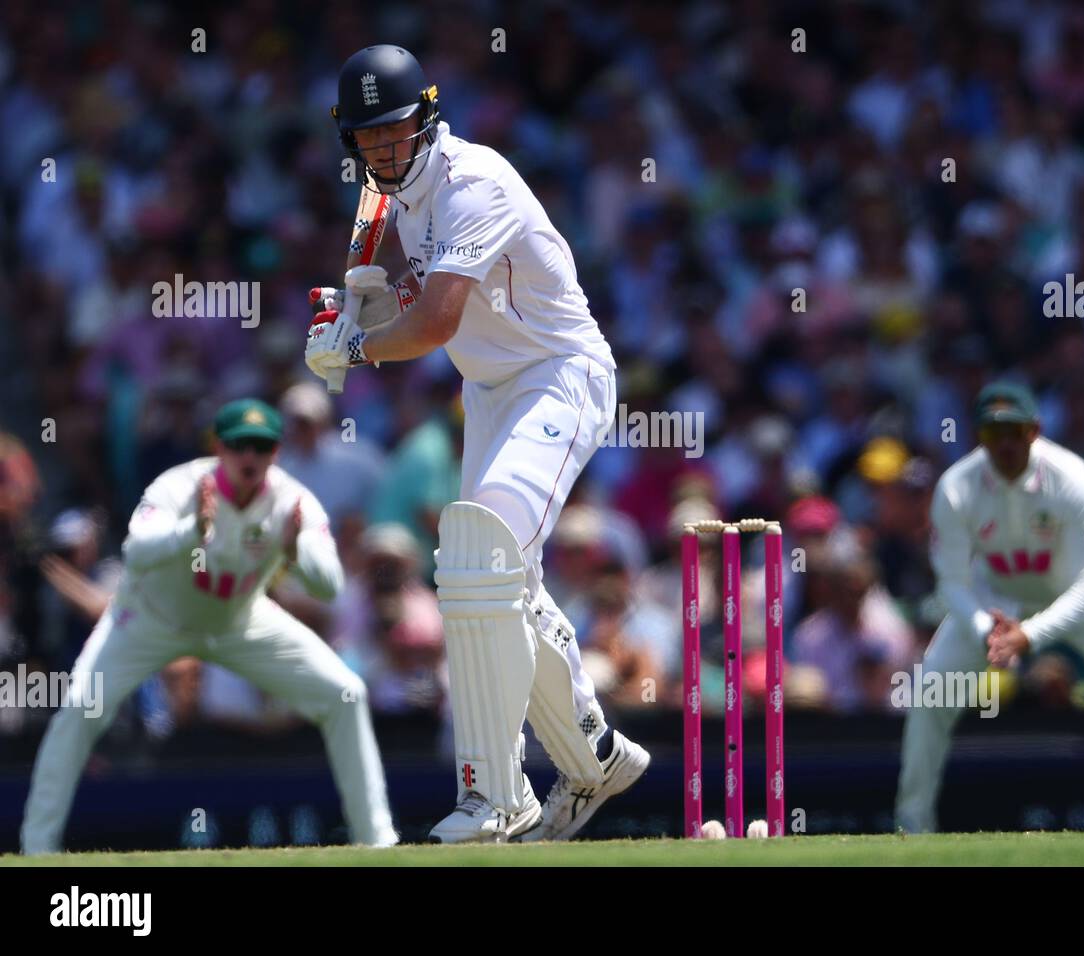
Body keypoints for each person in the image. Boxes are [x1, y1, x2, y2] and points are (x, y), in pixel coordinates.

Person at [304, 45, 648, 843]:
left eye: (396, 133)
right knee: (495, 579)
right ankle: (595, 757)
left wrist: (353, 349)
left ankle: (498, 797)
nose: (384, 152)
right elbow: (414, 313)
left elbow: (437, 322)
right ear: (349, 142)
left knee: (478, 554)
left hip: (559, 375)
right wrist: (357, 320)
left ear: (425, 118)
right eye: (369, 140)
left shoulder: (473, 182)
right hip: (491, 391)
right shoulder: (398, 193)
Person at [20, 399, 398, 853]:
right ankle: (37, 849)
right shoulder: (179, 486)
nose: (250, 458)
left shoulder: (291, 501)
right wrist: (191, 532)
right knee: (80, 706)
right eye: (240, 446)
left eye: (261, 447)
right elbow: (135, 551)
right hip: (149, 620)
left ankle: (377, 842)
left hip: (239, 619)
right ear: (219, 446)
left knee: (346, 693)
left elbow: (329, 585)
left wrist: (295, 548)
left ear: (276, 451)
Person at [895, 382, 1084, 832]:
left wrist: (1029, 635)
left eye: (1014, 431)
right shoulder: (956, 488)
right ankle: (912, 825)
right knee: (930, 692)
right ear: (978, 436)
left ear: (1035, 431)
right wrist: (987, 628)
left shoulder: (1073, 477)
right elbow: (952, 583)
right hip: (997, 602)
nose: (1004, 443)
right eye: (992, 432)